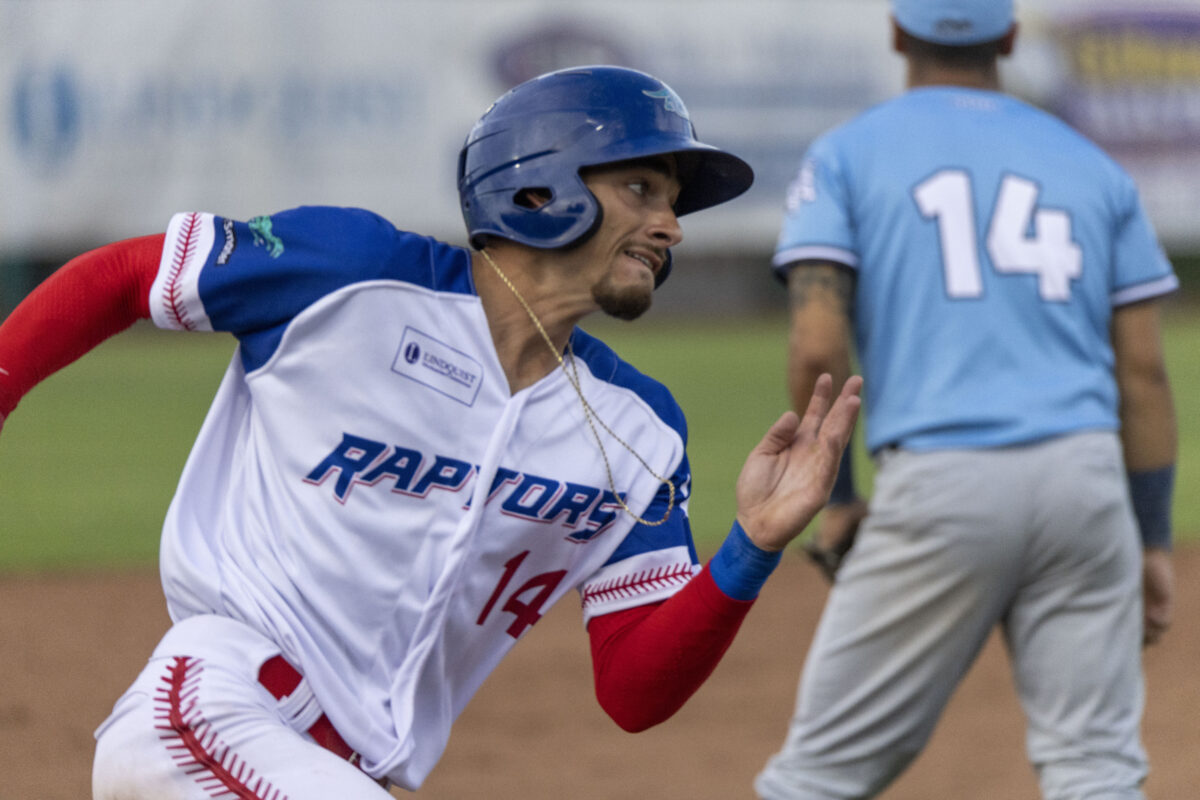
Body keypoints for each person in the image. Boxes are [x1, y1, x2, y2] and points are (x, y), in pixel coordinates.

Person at [0, 65, 862, 798]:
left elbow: (634, 691)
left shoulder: (639, 427)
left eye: (674, 204)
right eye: (641, 189)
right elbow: (123, 276)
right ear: (537, 187)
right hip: (211, 716)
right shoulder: (352, 276)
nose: (670, 226)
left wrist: (749, 546)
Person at [754, 1, 1177, 798]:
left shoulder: (847, 154)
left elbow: (816, 344)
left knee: (817, 778)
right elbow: (1144, 375)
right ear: (1011, 38)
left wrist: (837, 499)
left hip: (943, 478)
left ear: (896, 32)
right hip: (1085, 481)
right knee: (1096, 769)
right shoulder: (1091, 164)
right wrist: (1149, 538)